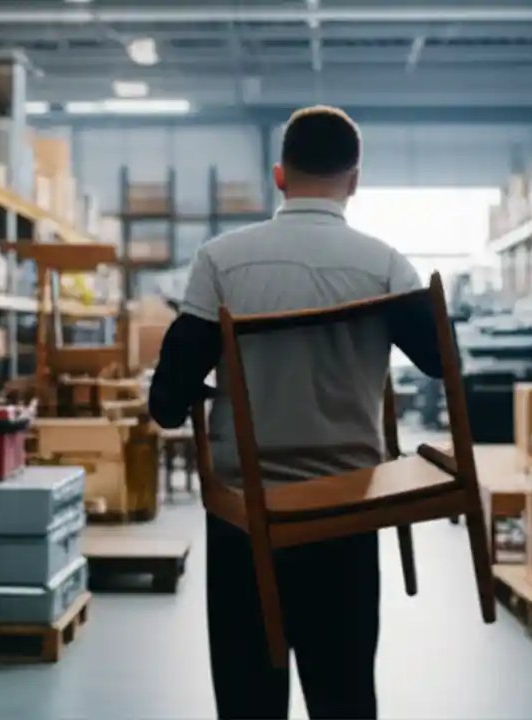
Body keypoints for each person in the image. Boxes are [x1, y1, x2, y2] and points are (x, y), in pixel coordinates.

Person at [148, 105, 443, 720]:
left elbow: (167, 404)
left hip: (244, 511)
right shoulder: (386, 264)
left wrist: (199, 397)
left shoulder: (220, 261)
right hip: (348, 506)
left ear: (279, 176)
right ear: (354, 181)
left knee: (248, 696)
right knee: (344, 693)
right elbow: (445, 365)